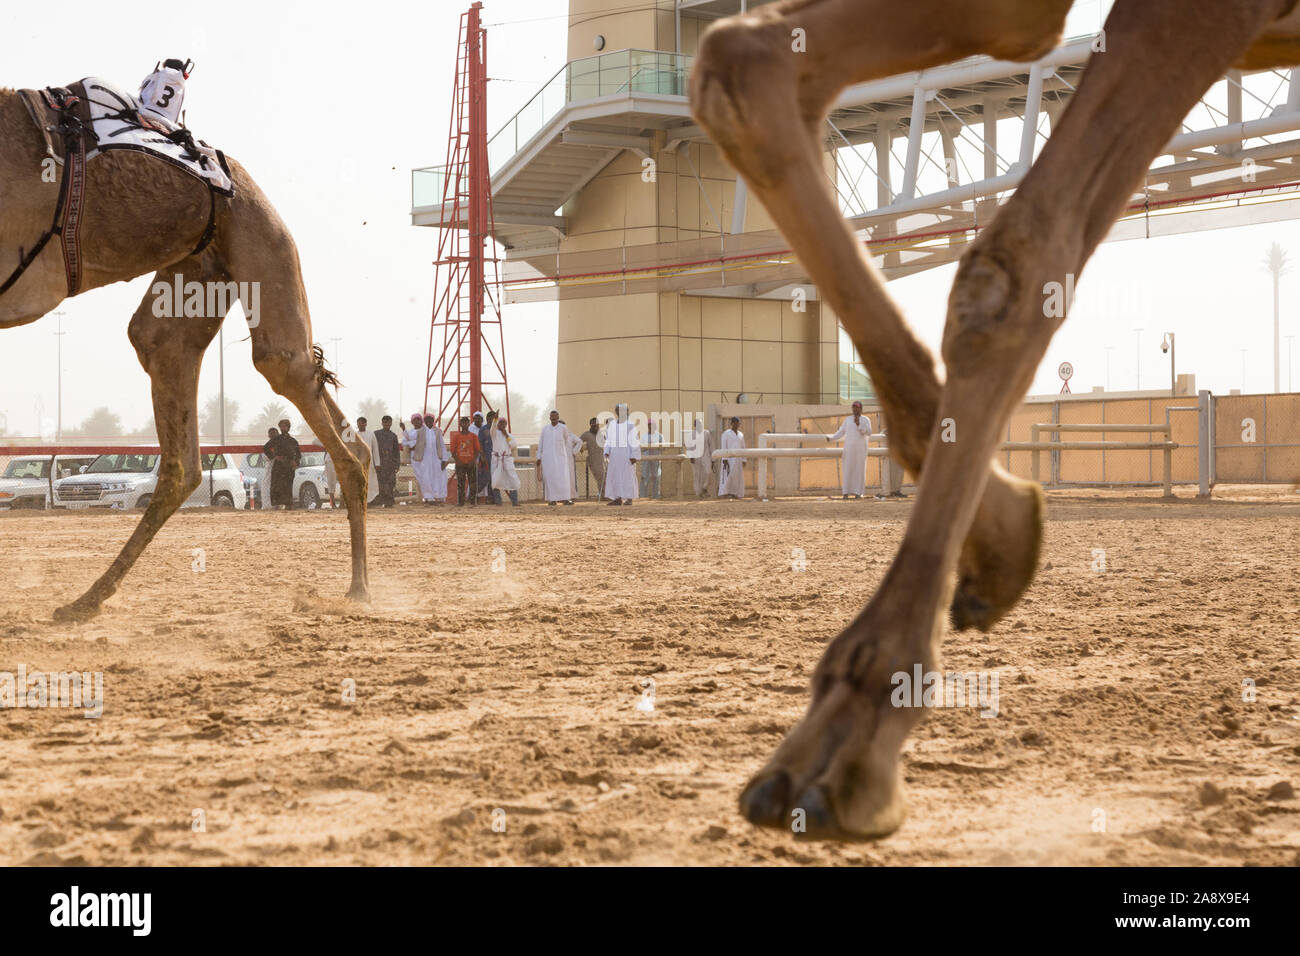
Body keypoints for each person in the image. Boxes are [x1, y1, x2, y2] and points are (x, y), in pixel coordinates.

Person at [831, 401, 873, 499]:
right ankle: (845, 493)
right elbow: (841, 431)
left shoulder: (866, 419)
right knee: (847, 470)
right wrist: (831, 438)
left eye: (857, 407)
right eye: (853, 407)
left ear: (861, 409)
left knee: (859, 470)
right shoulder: (848, 419)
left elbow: (869, 432)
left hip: (861, 450)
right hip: (849, 449)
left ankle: (858, 493)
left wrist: (859, 425)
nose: (855, 409)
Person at [602, 403, 640, 506]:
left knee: (627, 477)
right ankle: (617, 498)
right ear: (616, 412)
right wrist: (606, 451)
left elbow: (635, 441)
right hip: (614, 455)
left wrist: (634, 455)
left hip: (627, 455)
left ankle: (629, 498)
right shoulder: (612, 425)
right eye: (619, 410)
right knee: (615, 476)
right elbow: (608, 440)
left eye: (624, 410)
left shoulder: (630, 425)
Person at [537, 410, 577, 506]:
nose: (554, 419)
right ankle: (552, 500)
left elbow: (567, 442)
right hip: (548, 459)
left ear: (558, 418)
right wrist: (539, 457)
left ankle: (566, 499)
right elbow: (541, 443)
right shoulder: (545, 429)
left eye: (556, 418)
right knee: (550, 479)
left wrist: (568, 454)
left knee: (563, 478)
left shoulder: (563, 428)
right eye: (552, 418)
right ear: (550, 418)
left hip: (561, 458)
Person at [138, 58, 192, 127]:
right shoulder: (183, 85)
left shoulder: (159, 74)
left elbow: (142, 94)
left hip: (146, 112)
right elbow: (178, 109)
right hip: (168, 123)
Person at [266, 419, 301, 510]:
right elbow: (266, 448)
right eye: (281, 426)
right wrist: (275, 456)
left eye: (285, 426)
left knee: (288, 485)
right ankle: (277, 505)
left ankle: (288, 504)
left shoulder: (293, 441)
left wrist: (295, 463)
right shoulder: (276, 439)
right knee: (277, 485)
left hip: (289, 466)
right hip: (279, 466)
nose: (283, 428)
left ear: (288, 427)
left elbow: (298, 454)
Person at [449, 416, 481, 507]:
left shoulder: (473, 436)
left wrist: (473, 461)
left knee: (473, 483)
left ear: (468, 424)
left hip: (471, 463)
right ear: (460, 424)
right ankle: (460, 502)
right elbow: (453, 450)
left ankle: (473, 501)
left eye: (466, 423)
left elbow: (477, 450)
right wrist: (457, 461)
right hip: (460, 463)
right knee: (460, 483)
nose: (465, 424)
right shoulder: (456, 436)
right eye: (463, 423)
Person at [491, 417, 521, 507]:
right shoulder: (495, 434)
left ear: (506, 425)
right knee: (495, 480)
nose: (502, 424)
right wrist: (495, 420)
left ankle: (515, 502)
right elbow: (492, 429)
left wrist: (506, 436)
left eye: (504, 423)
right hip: (497, 460)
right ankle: (498, 502)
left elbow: (513, 445)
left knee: (512, 479)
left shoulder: (510, 435)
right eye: (500, 422)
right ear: (498, 424)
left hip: (507, 460)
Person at [374, 416, 401, 507]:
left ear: (391, 423)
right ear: (382, 423)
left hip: (390, 464)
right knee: (380, 483)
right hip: (379, 464)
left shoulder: (393, 436)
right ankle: (380, 501)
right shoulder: (376, 434)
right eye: (385, 422)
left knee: (390, 483)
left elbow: (396, 452)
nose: (387, 424)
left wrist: (397, 464)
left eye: (388, 422)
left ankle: (389, 502)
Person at [423, 413, 450, 504]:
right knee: (427, 478)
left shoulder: (438, 431)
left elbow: (442, 446)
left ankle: (440, 497)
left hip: (437, 459)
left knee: (440, 478)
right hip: (426, 460)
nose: (429, 423)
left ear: (433, 421)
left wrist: (444, 460)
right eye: (427, 421)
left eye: (431, 421)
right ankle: (428, 497)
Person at [683, 421, 714, 497]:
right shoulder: (691, 434)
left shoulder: (706, 433)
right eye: (697, 424)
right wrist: (691, 456)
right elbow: (689, 446)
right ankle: (698, 492)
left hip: (706, 456)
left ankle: (704, 487)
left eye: (700, 424)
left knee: (708, 472)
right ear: (694, 425)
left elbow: (711, 445)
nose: (699, 425)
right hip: (696, 456)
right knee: (697, 474)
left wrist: (713, 459)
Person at [718, 416, 746, 499]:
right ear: (732, 423)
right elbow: (724, 446)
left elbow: (743, 447)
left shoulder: (741, 435)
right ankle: (725, 493)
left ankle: (736, 493)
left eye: (739, 423)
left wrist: (744, 459)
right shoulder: (726, 434)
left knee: (737, 476)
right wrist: (724, 458)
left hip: (738, 459)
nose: (738, 424)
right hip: (729, 458)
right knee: (727, 476)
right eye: (736, 423)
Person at [355, 416, 381, 506]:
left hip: (369, 463)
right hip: (358, 462)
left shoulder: (371, 434)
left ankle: (370, 501)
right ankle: (362, 501)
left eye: (362, 423)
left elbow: (375, 449)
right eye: (358, 423)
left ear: (365, 424)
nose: (360, 424)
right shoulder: (355, 435)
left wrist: (377, 463)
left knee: (371, 482)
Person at [477, 410, 500, 505]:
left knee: (494, 478)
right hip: (486, 457)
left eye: (494, 418)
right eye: (490, 418)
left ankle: (491, 498)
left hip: (497, 457)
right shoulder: (483, 429)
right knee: (485, 478)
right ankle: (472, 495)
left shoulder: (499, 429)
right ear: (487, 419)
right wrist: (482, 456)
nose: (492, 420)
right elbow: (480, 444)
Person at [579, 417, 605, 498]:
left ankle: (605, 495)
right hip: (593, 460)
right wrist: (581, 447)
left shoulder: (601, 434)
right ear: (590, 424)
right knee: (600, 477)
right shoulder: (586, 434)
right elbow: (578, 441)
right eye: (594, 424)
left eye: (597, 424)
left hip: (603, 460)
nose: (596, 426)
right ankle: (603, 495)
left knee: (605, 477)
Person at [639, 418, 664, 499]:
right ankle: (642, 496)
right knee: (644, 476)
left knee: (656, 477)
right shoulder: (644, 436)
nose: (650, 426)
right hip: (646, 459)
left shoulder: (660, 436)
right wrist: (648, 446)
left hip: (656, 459)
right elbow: (641, 448)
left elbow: (663, 448)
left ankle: (656, 495)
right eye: (649, 425)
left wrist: (655, 445)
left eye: (652, 425)